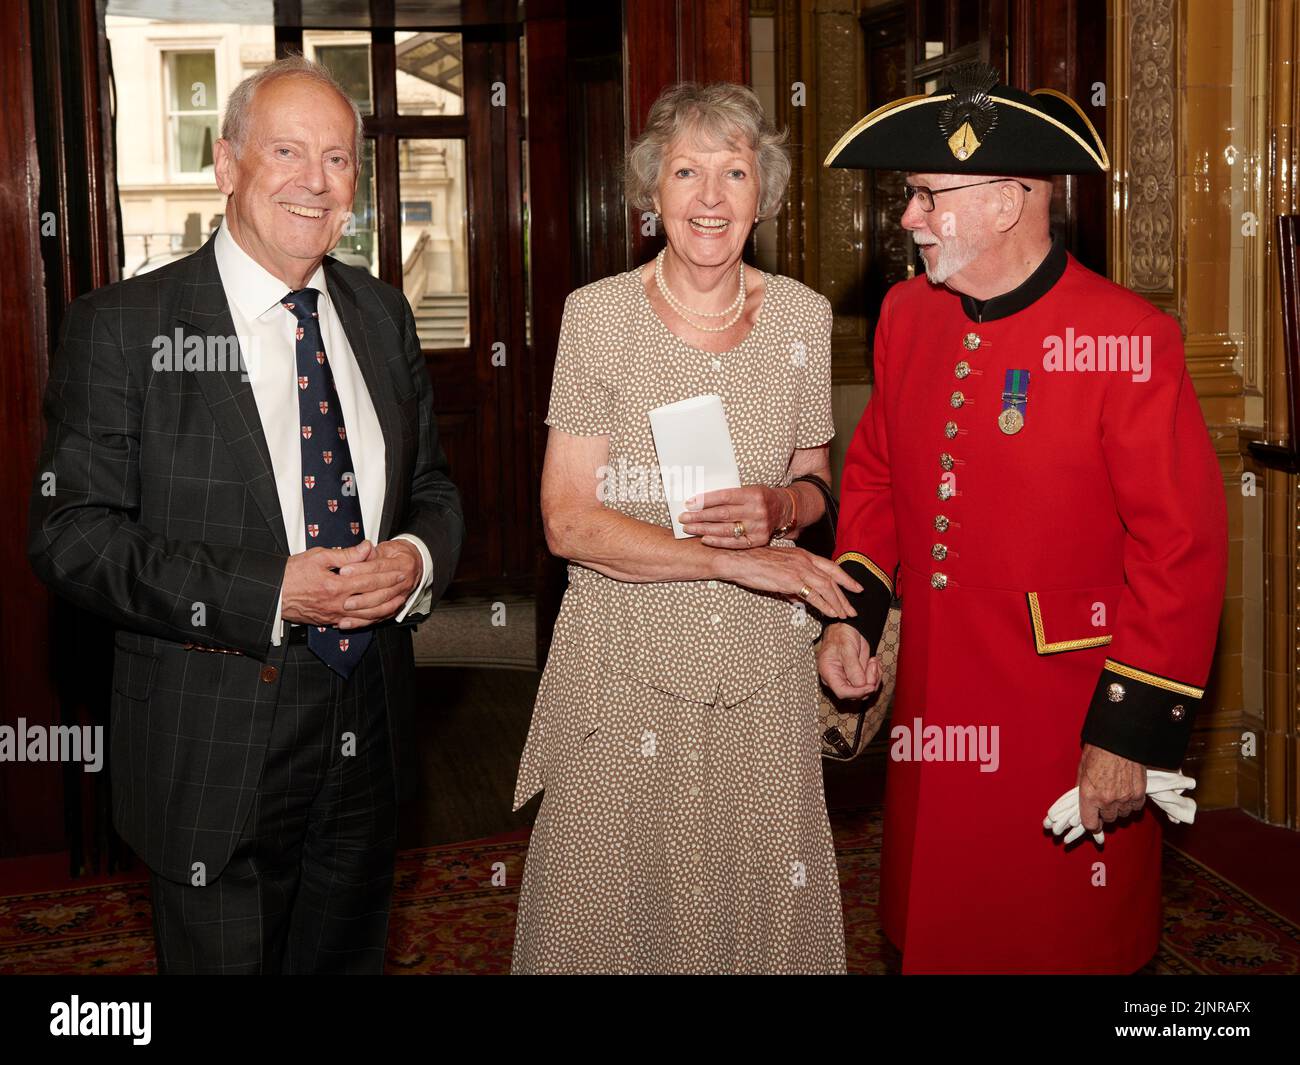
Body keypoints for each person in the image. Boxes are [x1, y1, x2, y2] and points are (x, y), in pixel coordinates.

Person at [28, 56, 464, 974]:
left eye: (338, 159)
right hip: (211, 741)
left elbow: (435, 488)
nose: (315, 180)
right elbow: (72, 535)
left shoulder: (382, 315)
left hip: (369, 725)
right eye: (287, 151)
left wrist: (417, 560)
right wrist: (270, 590)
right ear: (227, 163)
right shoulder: (125, 326)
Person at [818, 61, 1228, 973]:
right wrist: (855, 616)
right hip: (935, 711)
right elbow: (879, 476)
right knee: (933, 935)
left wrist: (1129, 733)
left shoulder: (1128, 337)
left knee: (1057, 941)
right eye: (909, 196)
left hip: (1064, 718)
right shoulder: (903, 316)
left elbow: (1182, 546)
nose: (908, 218)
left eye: (928, 196)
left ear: (1007, 202)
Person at [511, 82, 859, 974]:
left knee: (756, 923)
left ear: (763, 194)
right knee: (613, 922)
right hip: (625, 672)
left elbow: (817, 479)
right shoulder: (597, 317)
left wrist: (785, 509)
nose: (711, 196)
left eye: (735, 172)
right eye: (687, 172)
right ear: (651, 195)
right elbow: (568, 521)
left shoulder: (804, 319)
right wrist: (730, 561)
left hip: (762, 680)